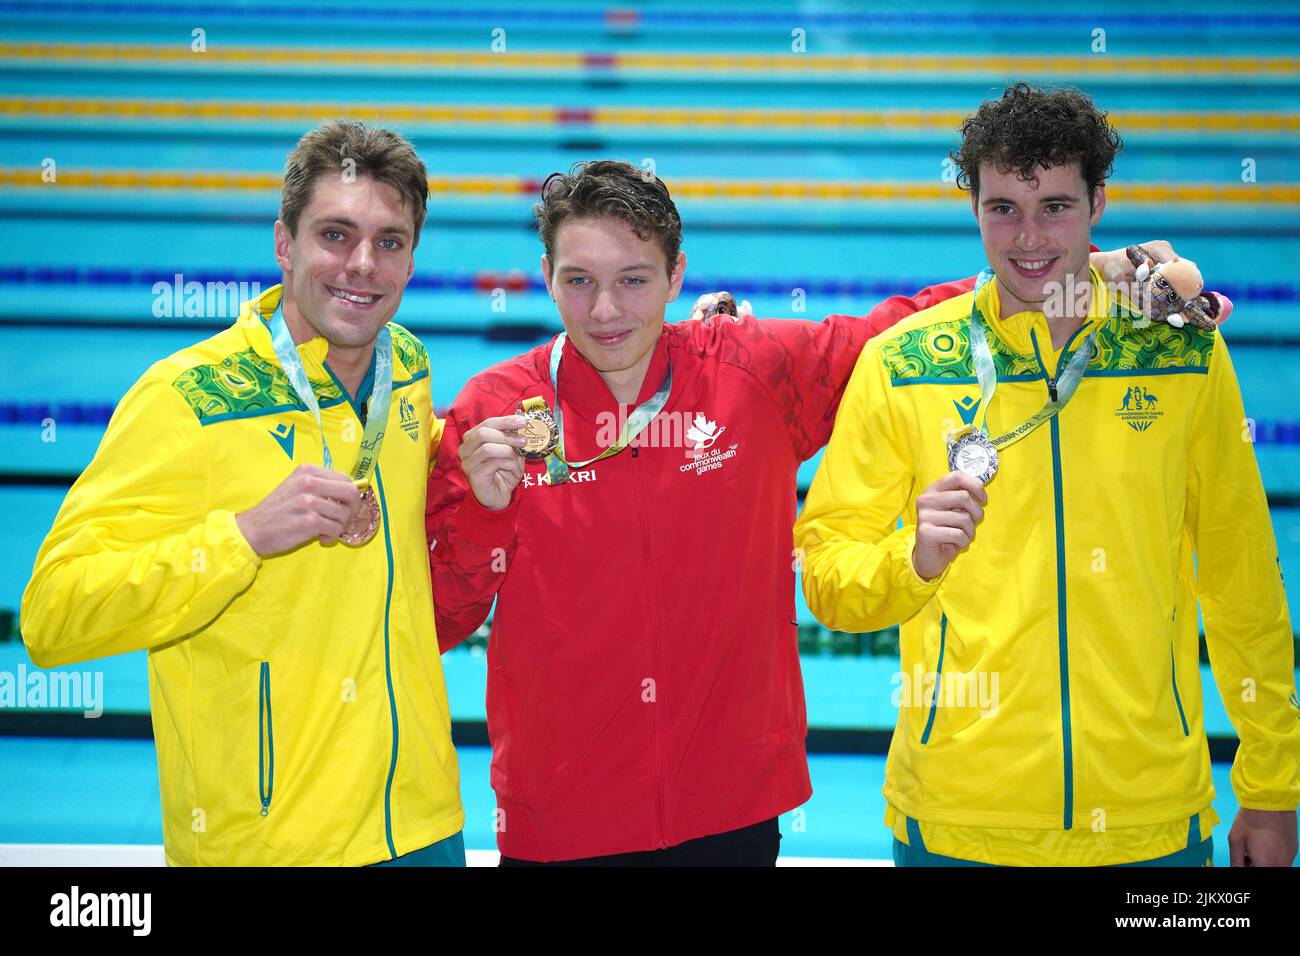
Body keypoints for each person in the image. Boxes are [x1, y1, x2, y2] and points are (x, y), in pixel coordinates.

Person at [425, 158, 1178, 865]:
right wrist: (484, 515)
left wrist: (1082, 274)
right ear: (547, 280)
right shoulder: (495, 414)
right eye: (579, 281)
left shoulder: (751, 371)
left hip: (734, 813)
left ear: (677, 275)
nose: (608, 309)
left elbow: (899, 335)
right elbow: (436, 620)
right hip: (561, 821)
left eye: (634, 279)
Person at [795, 84, 1299, 866]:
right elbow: (826, 573)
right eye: (1003, 208)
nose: (1029, 238)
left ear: (1099, 203)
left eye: (1056, 206)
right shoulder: (904, 364)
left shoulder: (1180, 351)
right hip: (959, 820)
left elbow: (1241, 576)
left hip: (1150, 817)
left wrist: (1271, 785)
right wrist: (912, 560)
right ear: (973, 207)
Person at [21, 120, 465, 866]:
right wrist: (243, 537)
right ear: (283, 244)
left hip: (420, 824)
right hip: (270, 846)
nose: (362, 264)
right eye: (335, 234)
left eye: (389, 241)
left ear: (412, 259)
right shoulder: (185, 399)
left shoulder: (407, 366)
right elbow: (52, 615)